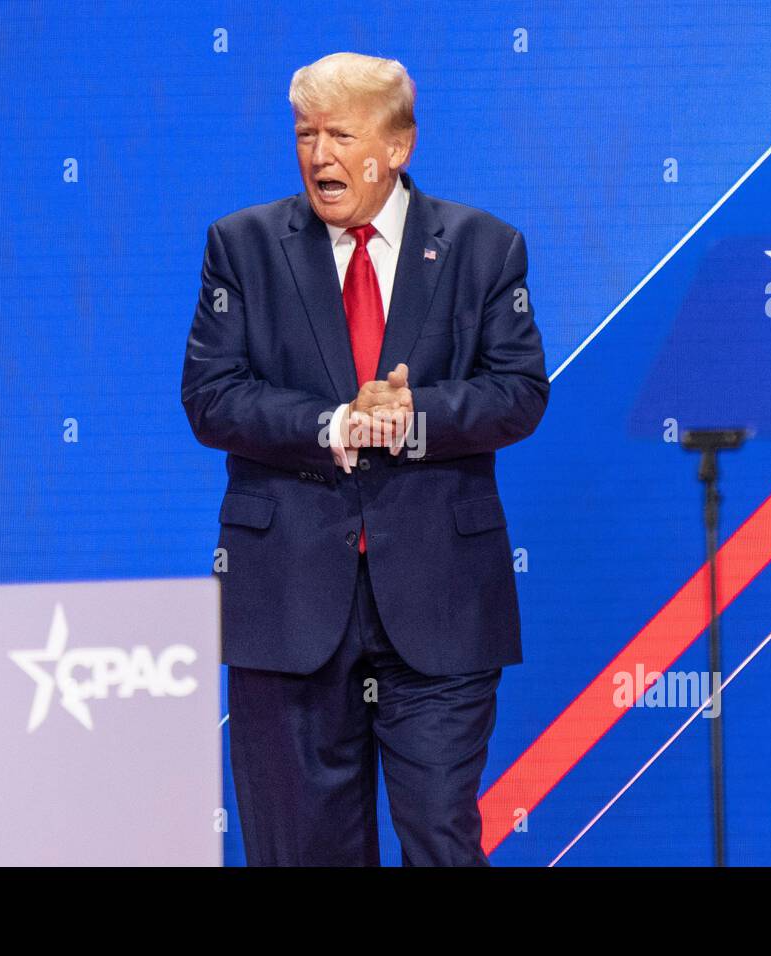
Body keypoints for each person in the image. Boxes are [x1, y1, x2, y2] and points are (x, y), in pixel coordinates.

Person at [181, 51, 549, 865]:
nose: (319, 157)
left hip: (440, 602)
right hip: (286, 599)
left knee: (440, 840)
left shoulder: (485, 249)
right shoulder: (240, 247)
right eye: (305, 134)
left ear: (399, 145)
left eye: (341, 135)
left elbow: (518, 392)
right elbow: (212, 396)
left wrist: (416, 415)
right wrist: (333, 423)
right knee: (301, 851)